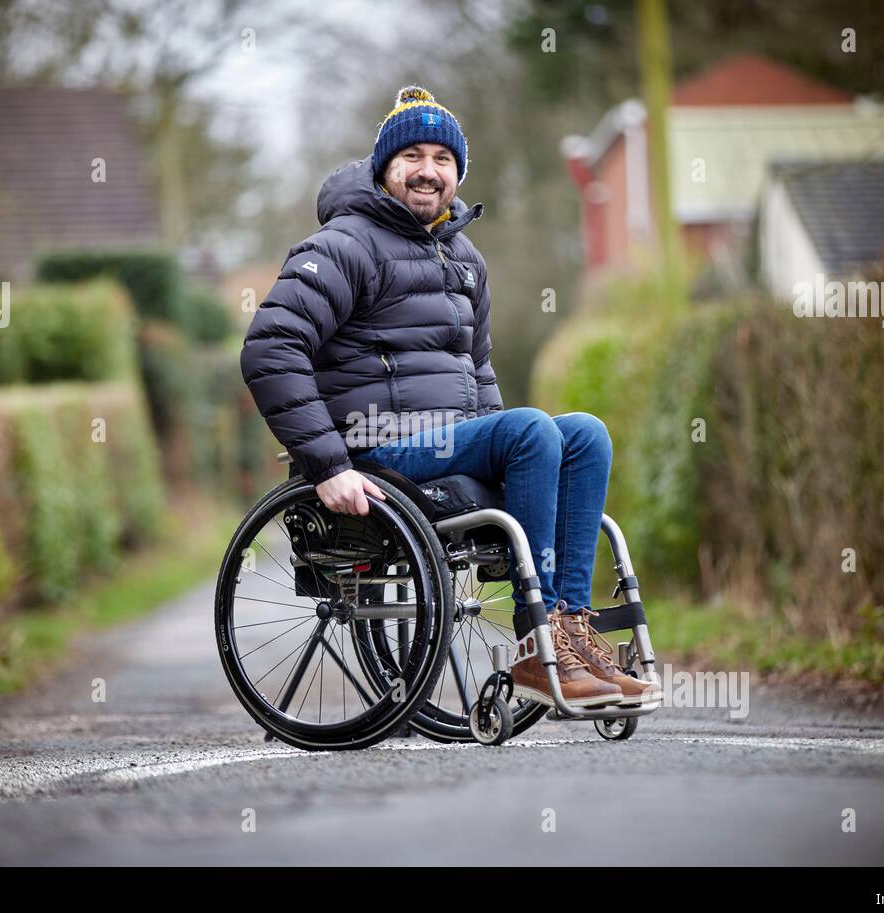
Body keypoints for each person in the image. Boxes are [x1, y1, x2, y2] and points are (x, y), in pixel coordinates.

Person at [240, 85, 658, 708]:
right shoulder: (345, 246)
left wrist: (502, 446)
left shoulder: (464, 259)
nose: (428, 171)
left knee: (584, 433)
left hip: (447, 443)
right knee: (530, 429)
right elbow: (270, 349)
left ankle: (570, 627)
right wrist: (328, 465)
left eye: (443, 158)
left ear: (458, 173)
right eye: (412, 156)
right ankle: (534, 641)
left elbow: (478, 370)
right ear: (385, 168)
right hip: (377, 446)